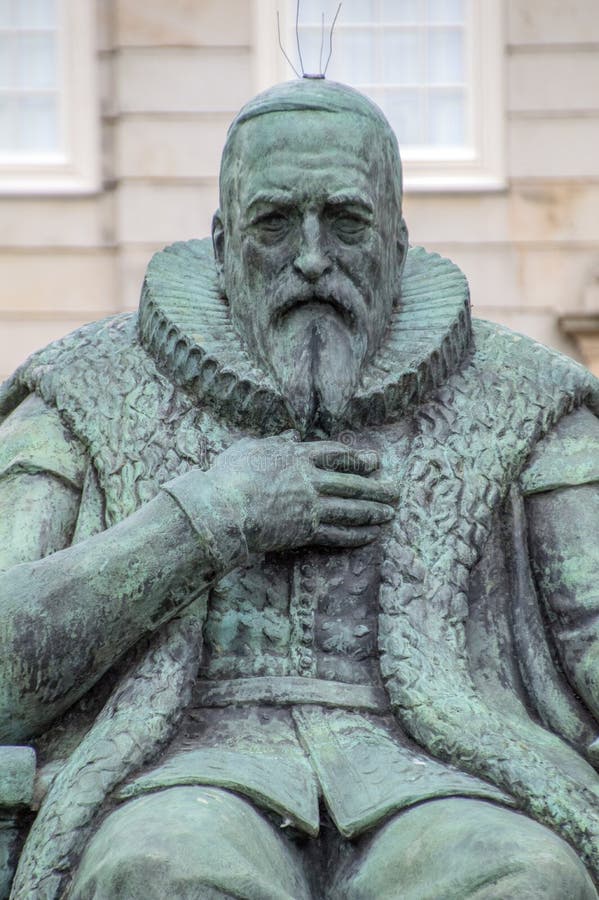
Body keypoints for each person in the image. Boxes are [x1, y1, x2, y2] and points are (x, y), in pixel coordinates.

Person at [1, 78, 599, 899]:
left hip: (445, 779)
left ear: (396, 241)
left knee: (530, 879)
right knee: (157, 872)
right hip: (183, 777)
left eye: (346, 223)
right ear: (221, 244)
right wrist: (212, 520)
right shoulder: (82, 391)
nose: (312, 258)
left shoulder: (523, 399)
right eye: (274, 223)